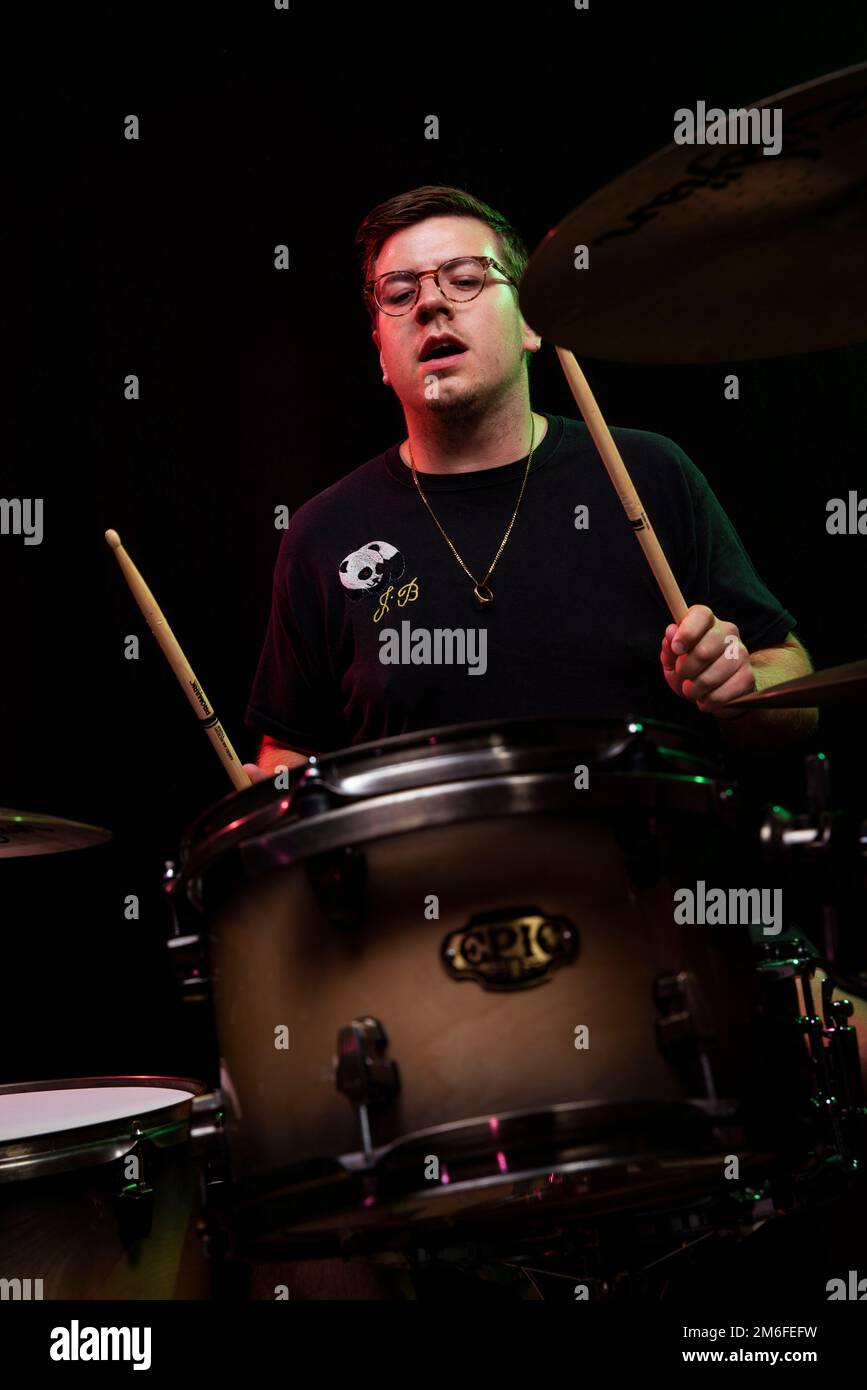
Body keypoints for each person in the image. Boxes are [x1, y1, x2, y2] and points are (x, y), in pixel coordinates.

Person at [243, 185, 817, 782]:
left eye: (464, 278)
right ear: (382, 358)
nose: (429, 305)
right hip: (425, 874)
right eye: (400, 292)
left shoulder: (649, 472)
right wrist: (275, 791)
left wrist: (744, 682)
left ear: (530, 326)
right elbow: (287, 750)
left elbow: (794, 688)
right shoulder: (323, 532)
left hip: (638, 866)